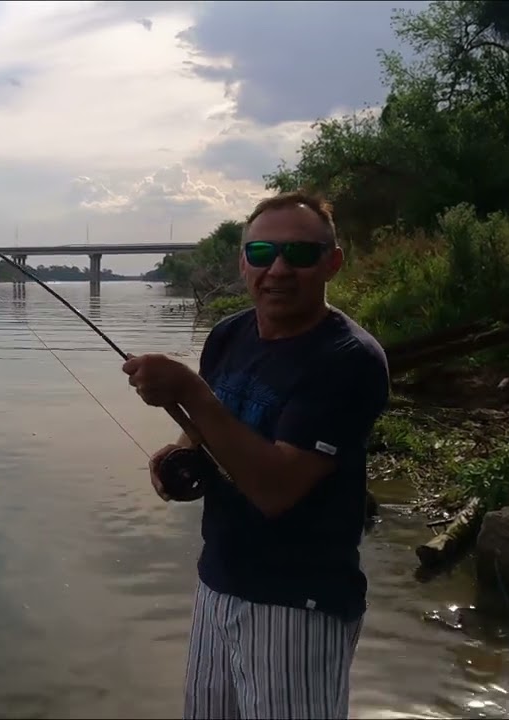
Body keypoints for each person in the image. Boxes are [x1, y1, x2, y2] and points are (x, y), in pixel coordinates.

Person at [121, 191, 389, 719]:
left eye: (301, 254)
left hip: (299, 602)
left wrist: (188, 389)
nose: (278, 269)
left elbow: (276, 489)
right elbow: (212, 430)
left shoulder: (349, 360)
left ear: (333, 262)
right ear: (244, 263)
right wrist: (181, 456)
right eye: (263, 253)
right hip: (217, 580)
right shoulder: (229, 335)